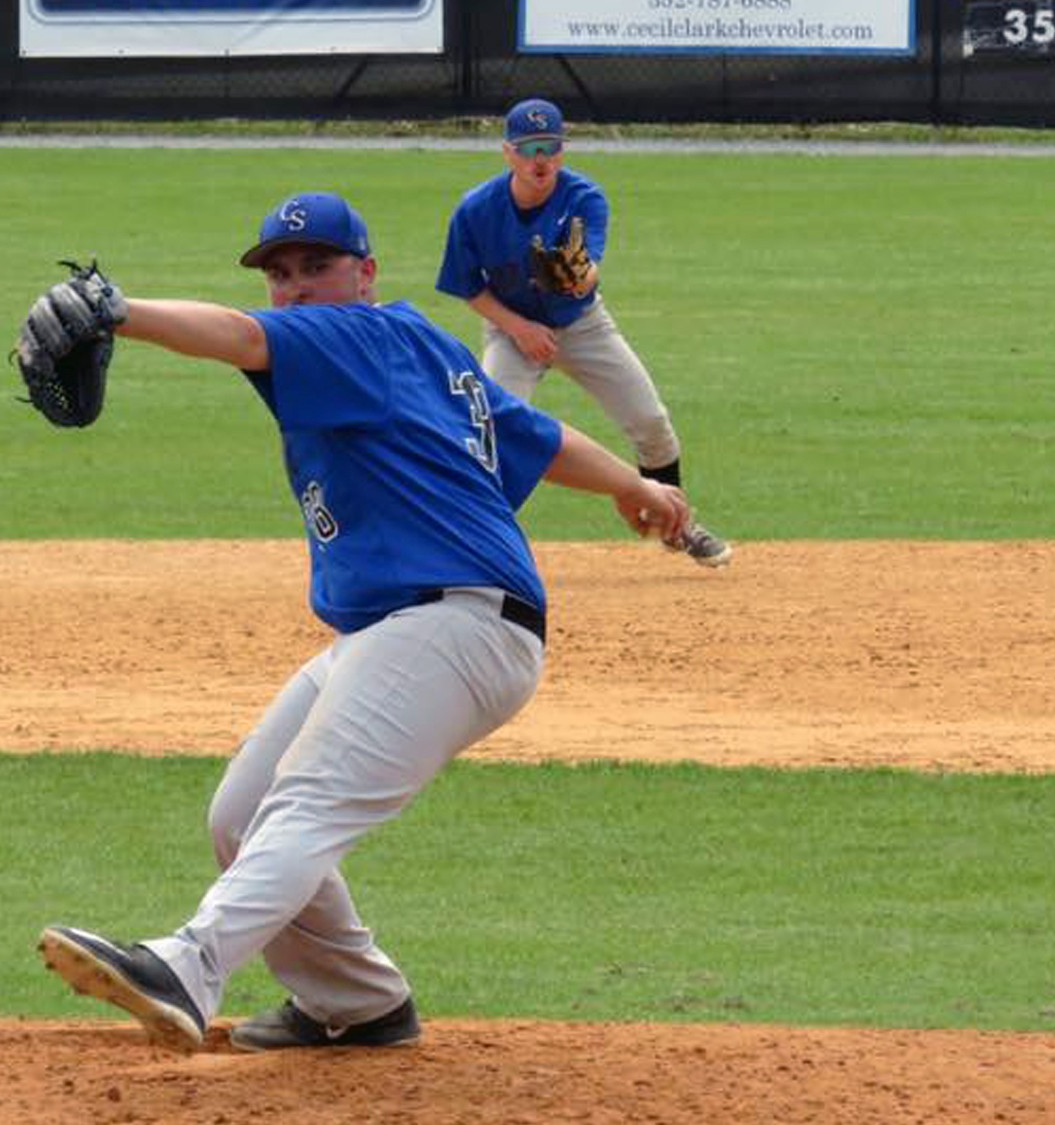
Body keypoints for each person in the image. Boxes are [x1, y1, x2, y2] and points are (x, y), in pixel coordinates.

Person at [37, 191, 693, 1053]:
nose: (297, 287)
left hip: (455, 622)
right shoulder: (429, 349)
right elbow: (537, 433)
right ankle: (358, 998)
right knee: (242, 815)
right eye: (280, 273)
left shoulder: (355, 334)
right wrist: (633, 485)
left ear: (366, 273)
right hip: (412, 627)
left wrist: (120, 313)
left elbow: (240, 337)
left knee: (306, 804)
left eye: (317, 266)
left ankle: (190, 965)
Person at [437, 97, 731, 567]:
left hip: (581, 324)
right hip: (510, 330)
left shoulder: (584, 197)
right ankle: (474, 545)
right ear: (508, 152)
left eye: (550, 147)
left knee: (651, 422)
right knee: (489, 431)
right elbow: (466, 286)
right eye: (530, 148)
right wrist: (519, 328)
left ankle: (678, 525)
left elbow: (589, 271)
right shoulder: (476, 210)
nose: (541, 160)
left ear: (563, 149)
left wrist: (577, 277)